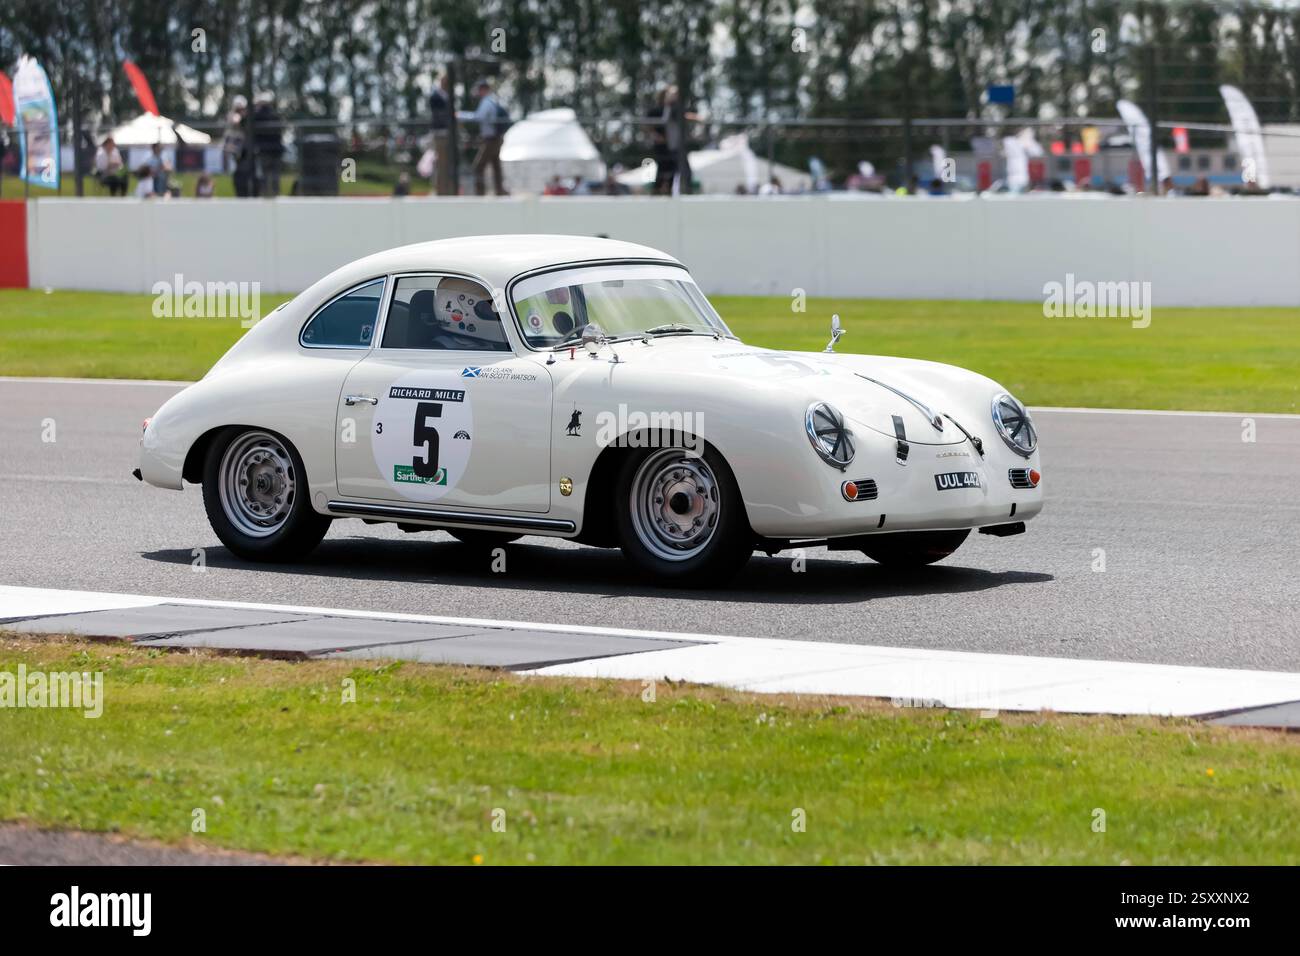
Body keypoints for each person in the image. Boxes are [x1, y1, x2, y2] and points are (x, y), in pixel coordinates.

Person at [458, 80, 509, 196]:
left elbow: (478, 117)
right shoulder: (494, 101)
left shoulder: (487, 102)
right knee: (496, 166)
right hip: (496, 138)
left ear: (484, 89)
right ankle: (500, 191)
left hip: (491, 139)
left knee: (478, 167)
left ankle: (480, 193)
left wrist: (460, 115)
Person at [253, 93, 285, 196]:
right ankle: (276, 193)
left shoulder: (257, 116)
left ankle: (265, 194)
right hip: (276, 150)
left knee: (264, 174)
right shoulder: (276, 115)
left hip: (264, 150)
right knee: (275, 175)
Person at [429, 72, 454, 196]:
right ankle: (440, 190)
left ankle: (445, 189)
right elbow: (440, 114)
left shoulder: (448, 96)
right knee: (441, 163)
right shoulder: (436, 96)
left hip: (448, 133)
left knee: (447, 163)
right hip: (440, 132)